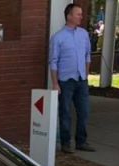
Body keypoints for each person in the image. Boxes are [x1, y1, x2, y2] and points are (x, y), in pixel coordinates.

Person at [49, 3, 95, 154]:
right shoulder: (58, 37)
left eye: (81, 14)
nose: (81, 16)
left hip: (81, 79)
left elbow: (88, 54)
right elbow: (53, 61)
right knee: (65, 112)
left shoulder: (83, 34)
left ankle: (81, 141)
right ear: (69, 16)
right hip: (65, 81)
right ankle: (65, 143)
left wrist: (86, 73)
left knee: (84, 111)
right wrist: (55, 83)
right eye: (78, 14)